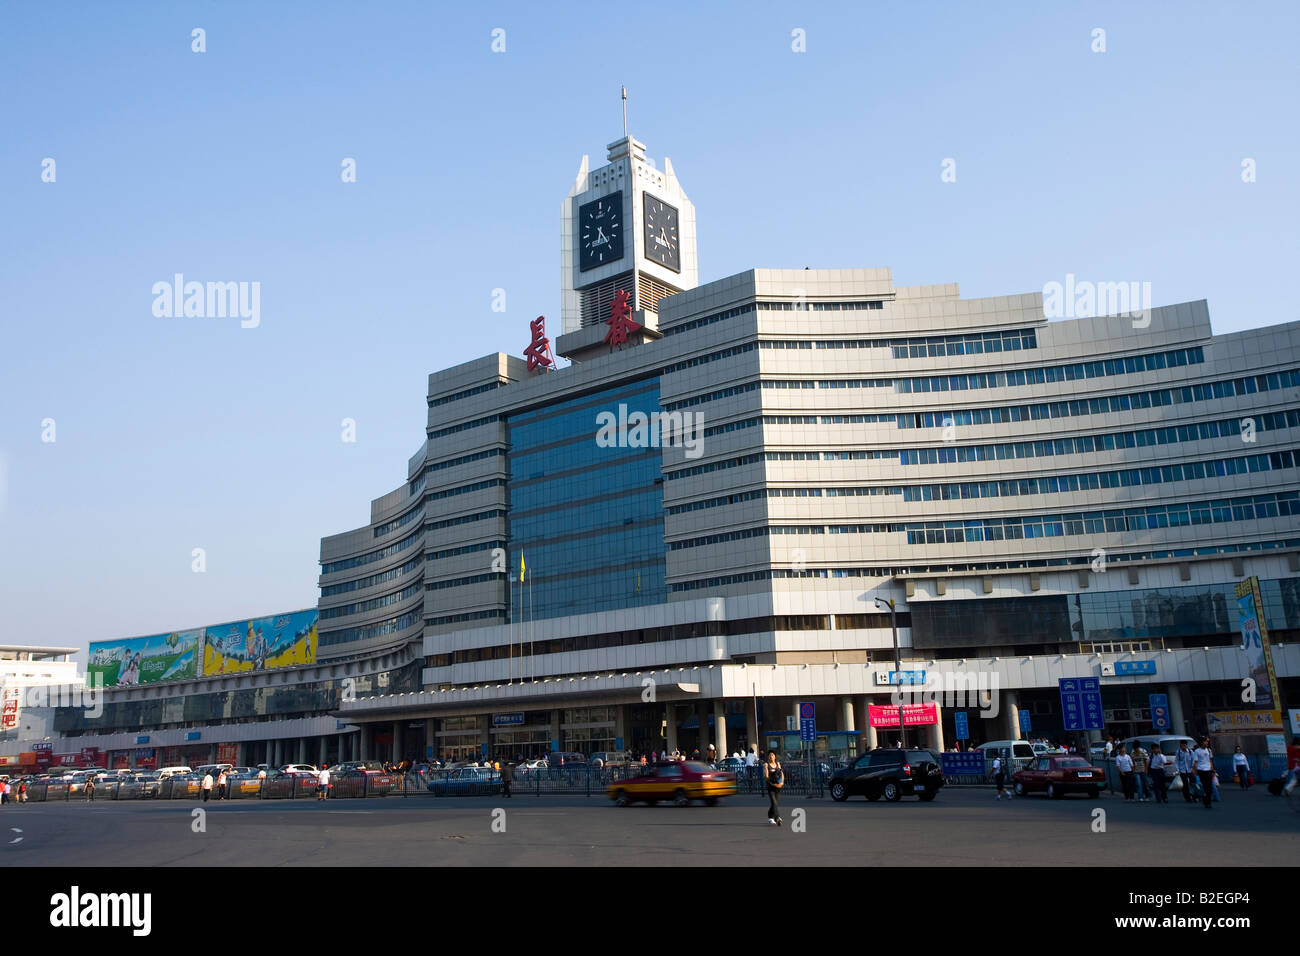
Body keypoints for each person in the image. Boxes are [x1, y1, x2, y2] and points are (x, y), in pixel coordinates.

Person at [763, 751, 784, 826]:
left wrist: (782, 783)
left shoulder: (778, 764)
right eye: (770, 755)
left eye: (772, 755)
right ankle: (777, 818)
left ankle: (770, 817)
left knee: (774, 803)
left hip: (778, 786)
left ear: (775, 756)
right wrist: (773, 784)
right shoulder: (766, 764)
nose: (771, 756)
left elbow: (781, 773)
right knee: (774, 802)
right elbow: (766, 776)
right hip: (771, 786)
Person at [1192, 738, 1214, 809]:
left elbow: (1210, 760)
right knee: (1204, 787)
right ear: (1201, 742)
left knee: (1209, 787)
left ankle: (1208, 801)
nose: (1207, 743)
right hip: (1201, 770)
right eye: (1205, 741)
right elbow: (1195, 762)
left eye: (1207, 742)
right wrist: (1194, 772)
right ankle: (1206, 802)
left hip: (1208, 770)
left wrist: (1212, 770)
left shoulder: (1209, 750)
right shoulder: (1197, 751)